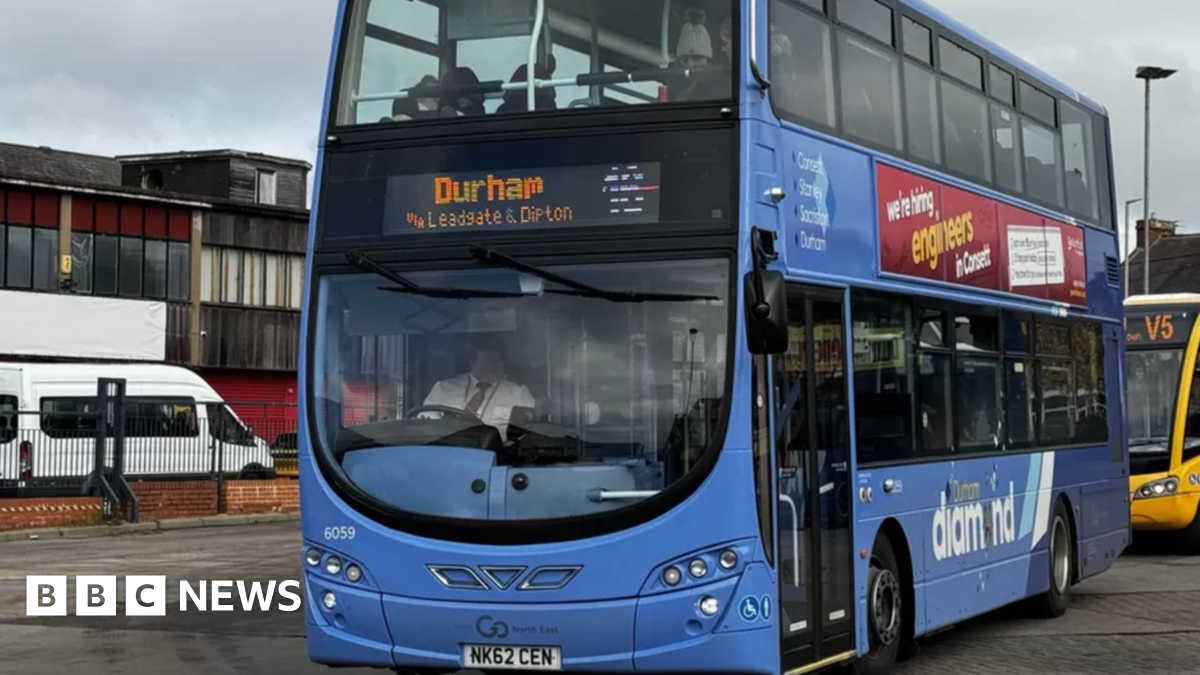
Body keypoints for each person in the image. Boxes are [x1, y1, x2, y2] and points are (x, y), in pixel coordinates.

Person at [423, 337, 535, 437]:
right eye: (489, 359)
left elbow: (531, 430)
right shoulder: (444, 388)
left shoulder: (517, 392)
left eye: (499, 360)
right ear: (472, 361)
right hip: (450, 451)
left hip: (500, 455)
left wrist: (540, 410)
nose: (495, 365)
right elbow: (425, 426)